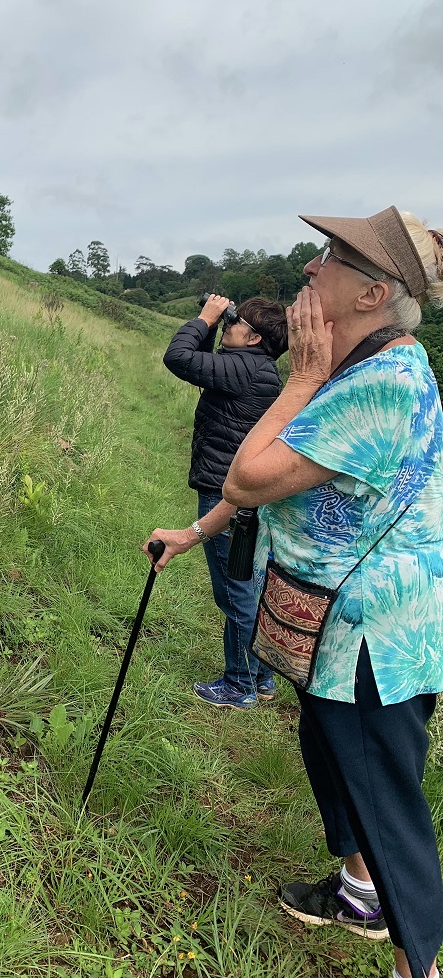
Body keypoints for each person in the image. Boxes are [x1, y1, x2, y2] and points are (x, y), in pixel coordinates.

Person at [145, 206, 443, 978]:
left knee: (387, 803)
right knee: (326, 751)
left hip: (373, 634)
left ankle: (421, 961)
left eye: (330, 257)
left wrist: (302, 376)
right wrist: (197, 532)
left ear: (374, 292)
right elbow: (277, 484)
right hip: (329, 629)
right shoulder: (358, 365)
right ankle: (357, 895)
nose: (311, 269)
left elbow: (250, 473)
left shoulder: (378, 382)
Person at [162, 294, 288, 709]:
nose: (227, 324)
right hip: (244, 492)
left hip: (225, 492)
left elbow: (179, 358)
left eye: (236, 322)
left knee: (235, 590)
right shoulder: (257, 368)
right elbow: (201, 362)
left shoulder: (244, 368)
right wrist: (216, 325)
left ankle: (239, 685)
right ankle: (261, 675)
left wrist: (205, 317)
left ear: (253, 338)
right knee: (250, 582)